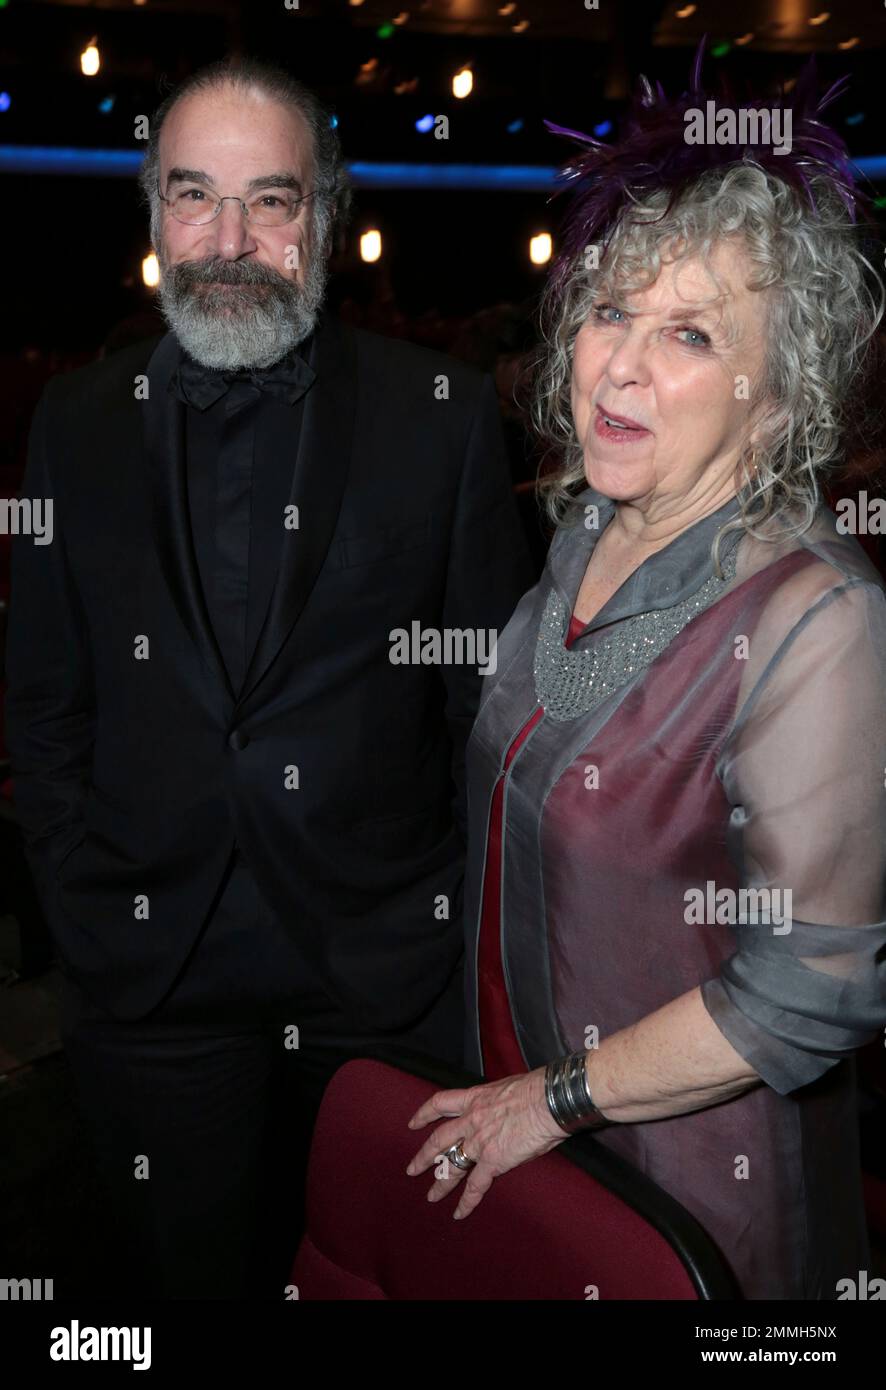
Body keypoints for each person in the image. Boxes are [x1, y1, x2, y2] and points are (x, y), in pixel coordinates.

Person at [4, 56, 533, 1299]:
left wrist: (450, 927)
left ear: (326, 218)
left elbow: (489, 708)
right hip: (150, 979)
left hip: (381, 982)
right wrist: (80, 899)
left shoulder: (443, 412)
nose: (229, 240)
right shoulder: (73, 422)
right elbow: (44, 696)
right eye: (194, 195)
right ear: (152, 213)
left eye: (271, 200)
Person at [406, 56, 886, 1299]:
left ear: (774, 402)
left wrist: (550, 1098)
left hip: (694, 1208)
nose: (619, 365)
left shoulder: (819, 620)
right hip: (526, 1138)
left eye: (690, 334)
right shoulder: (586, 531)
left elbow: (809, 993)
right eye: (611, 311)